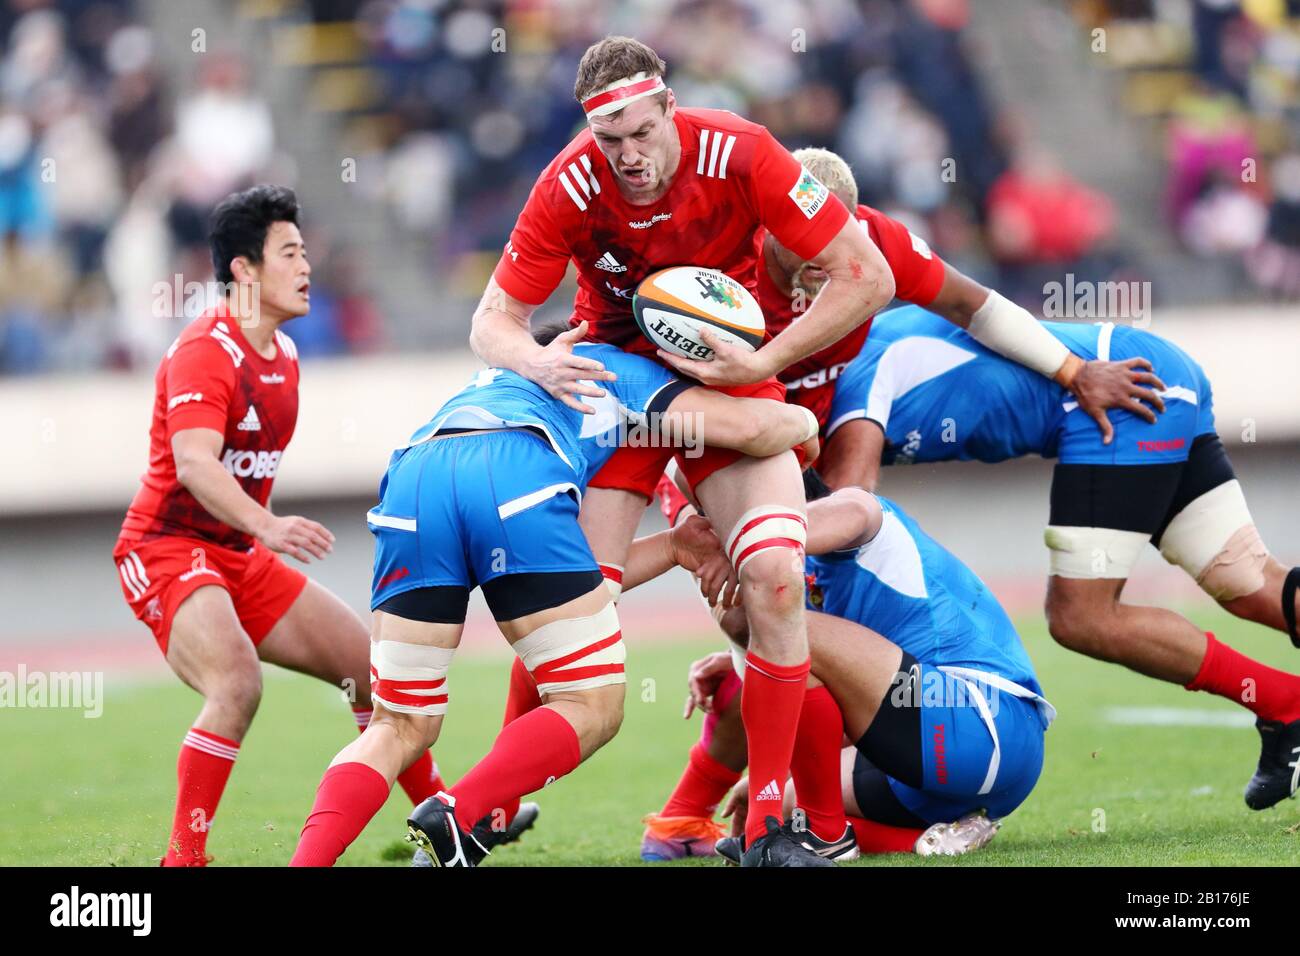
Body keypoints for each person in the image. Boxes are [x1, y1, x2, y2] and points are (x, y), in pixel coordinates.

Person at [469, 34, 1139, 865]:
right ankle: (519, 803)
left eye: (643, 136)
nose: (817, 277)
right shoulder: (725, 260)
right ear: (773, 229)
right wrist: (557, 356)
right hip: (696, 415)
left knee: (778, 596)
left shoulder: (865, 248)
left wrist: (1072, 367)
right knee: (609, 597)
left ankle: (774, 825)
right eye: (800, 258)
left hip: (788, 432)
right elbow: (537, 319)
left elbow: (973, 304)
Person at [289, 320, 820, 867]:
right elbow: (756, 429)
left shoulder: (498, 375)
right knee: (591, 705)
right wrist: (805, 419)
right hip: (514, 473)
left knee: (397, 724)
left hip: (413, 482)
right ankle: (458, 812)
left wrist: (670, 546)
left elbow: (588, 585)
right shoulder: (610, 366)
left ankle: (307, 862)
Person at [819, 304, 1300, 810]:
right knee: (1247, 581)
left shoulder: (850, 371)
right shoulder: (835, 358)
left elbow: (848, 509)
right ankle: (1282, 702)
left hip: (1114, 397)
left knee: (1081, 616)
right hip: (1149, 374)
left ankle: (1284, 702)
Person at [111, 185, 441, 867]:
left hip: (235, 551)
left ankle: (440, 821)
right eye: (289, 252)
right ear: (244, 270)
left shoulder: (285, 357)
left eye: (305, 251)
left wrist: (255, 533)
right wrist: (267, 525)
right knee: (236, 684)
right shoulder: (208, 350)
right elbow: (195, 464)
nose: (306, 265)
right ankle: (184, 859)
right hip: (168, 548)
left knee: (368, 674)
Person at [646, 474, 1053, 862]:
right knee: (788, 804)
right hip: (931, 778)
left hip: (985, 724)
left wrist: (734, 551)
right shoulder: (797, 578)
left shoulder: (854, 511)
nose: (717, 530)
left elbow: (854, 514)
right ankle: (927, 842)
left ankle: (825, 835)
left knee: (780, 639)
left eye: (718, 514)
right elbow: (838, 710)